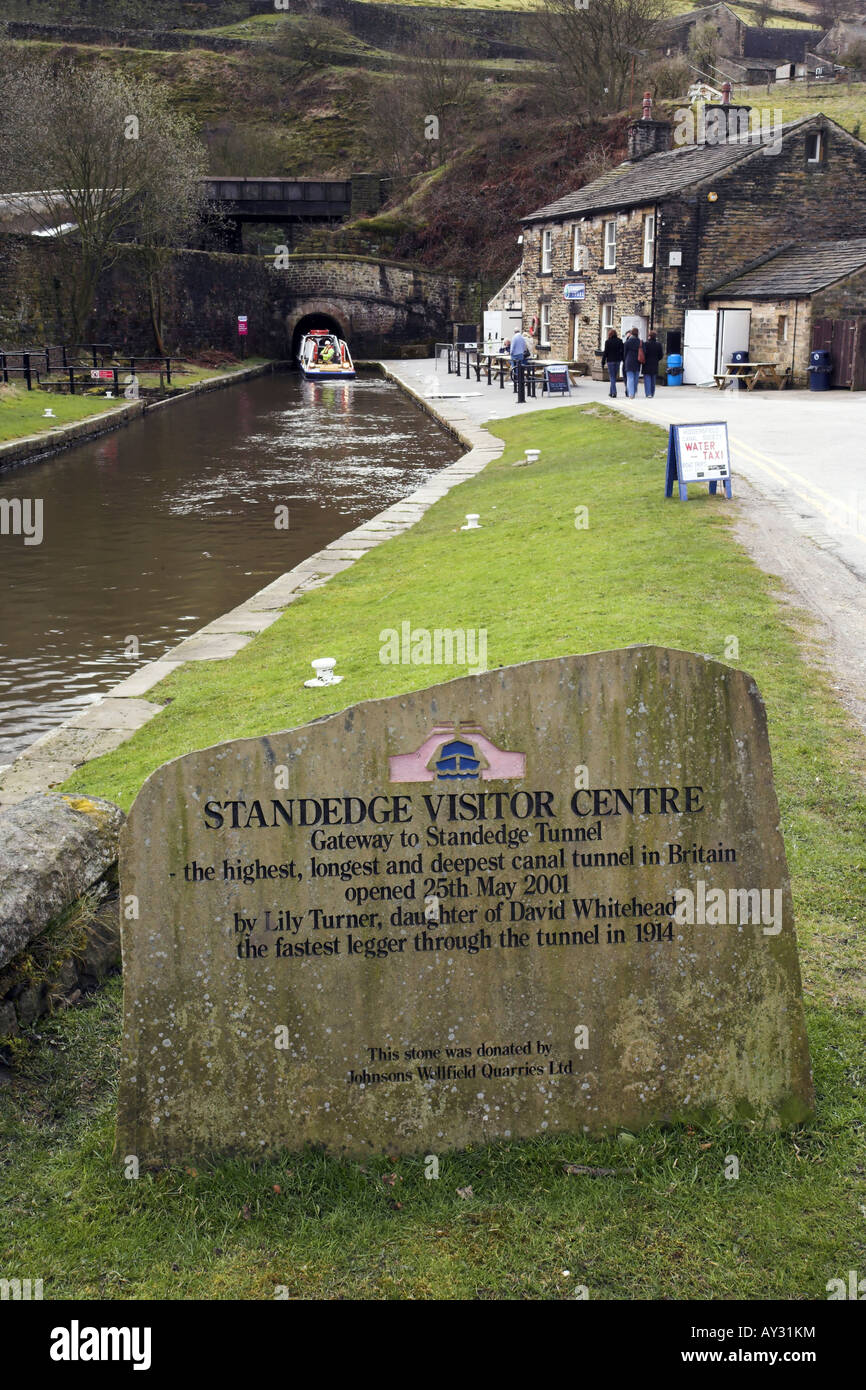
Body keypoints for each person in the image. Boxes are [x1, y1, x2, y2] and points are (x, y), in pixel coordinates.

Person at [601, 328, 624, 397]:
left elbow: (605, 353)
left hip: (610, 361)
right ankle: (611, 392)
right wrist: (623, 359)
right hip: (617, 361)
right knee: (614, 377)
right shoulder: (620, 341)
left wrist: (603, 362)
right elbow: (622, 352)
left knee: (612, 377)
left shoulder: (608, 342)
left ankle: (614, 392)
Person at [642, 330, 663, 397]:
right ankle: (652, 392)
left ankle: (648, 393)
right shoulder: (658, 344)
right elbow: (661, 355)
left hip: (647, 363)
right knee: (653, 380)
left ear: (649, 336)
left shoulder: (646, 344)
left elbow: (643, 354)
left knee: (647, 379)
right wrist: (657, 359)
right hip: (654, 363)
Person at [623, 327, 642, 398]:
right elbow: (644, 352)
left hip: (629, 361)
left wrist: (625, 361)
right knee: (636, 378)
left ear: (631, 333)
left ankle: (631, 394)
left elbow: (624, 353)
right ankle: (634, 391)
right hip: (637, 361)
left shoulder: (627, 342)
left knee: (630, 378)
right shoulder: (640, 342)